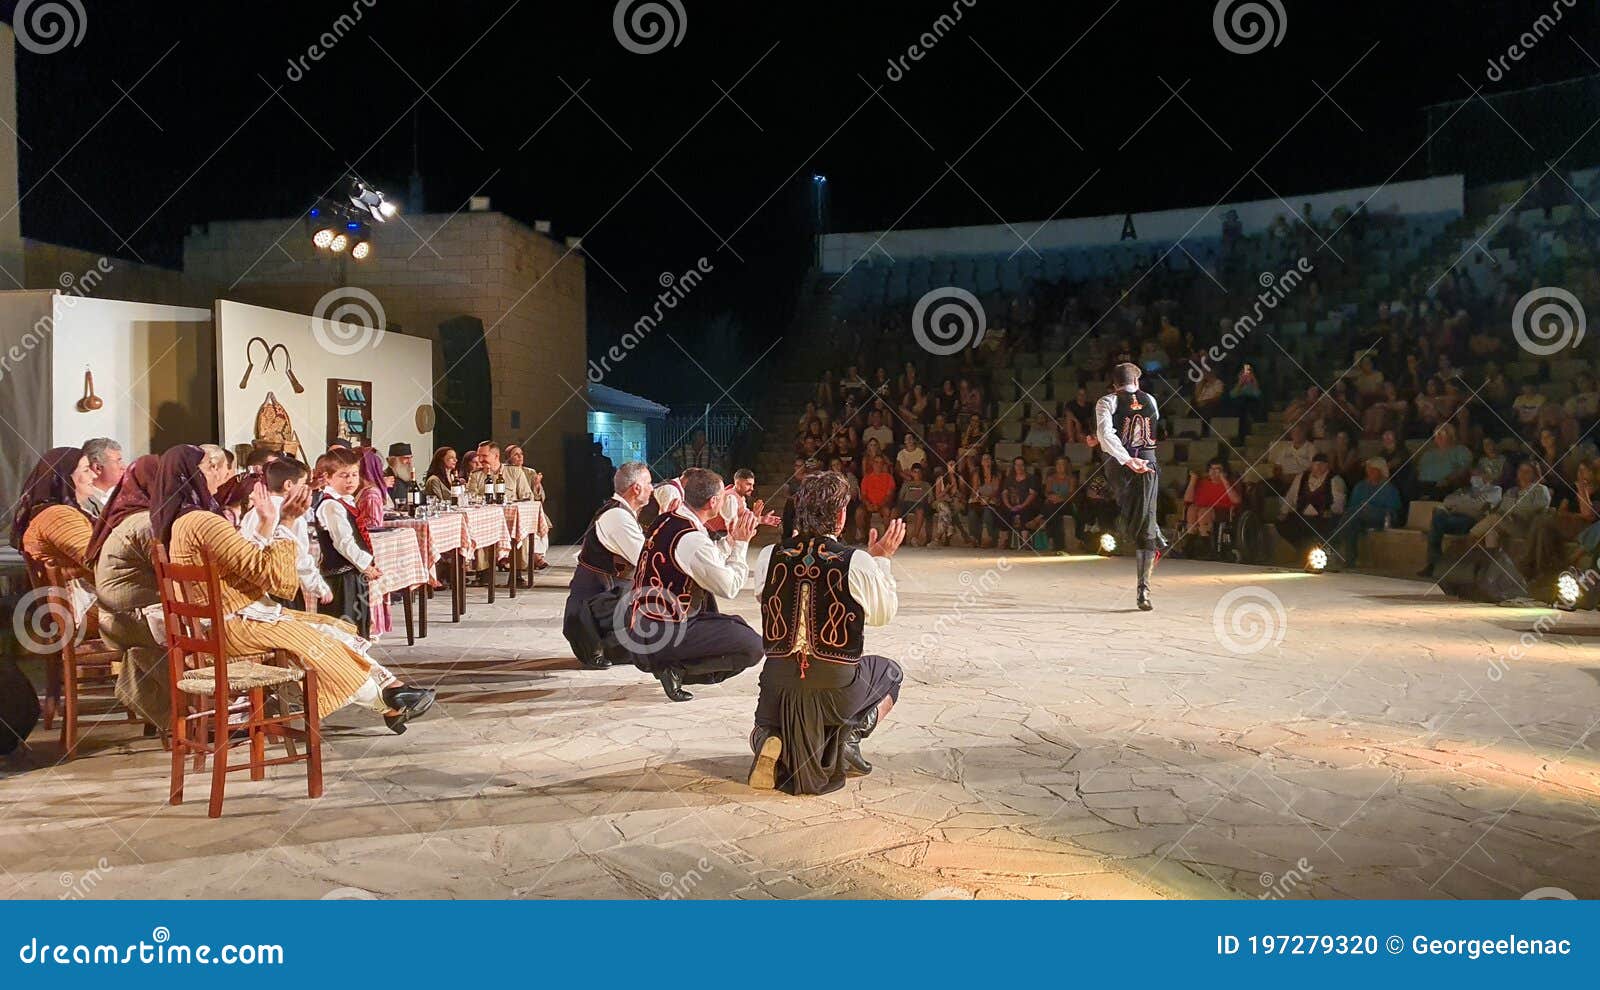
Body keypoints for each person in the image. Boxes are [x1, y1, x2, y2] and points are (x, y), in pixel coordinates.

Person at [155, 445, 434, 734]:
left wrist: (265, 523)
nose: (222, 474)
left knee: (329, 629)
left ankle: (393, 693)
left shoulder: (186, 519)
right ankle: (387, 703)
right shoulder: (203, 521)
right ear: (194, 474)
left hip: (229, 619)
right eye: (214, 468)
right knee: (316, 641)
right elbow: (267, 573)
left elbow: (249, 562)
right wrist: (285, 522)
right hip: (234, 625)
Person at [748, 472, 904, 794]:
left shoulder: (769, 556)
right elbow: (883, 615)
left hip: (779, 684)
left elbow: (764, 598)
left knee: (765, 720)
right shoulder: (856, 561)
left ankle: (768, 737)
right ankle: (849, 738)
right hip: (835, 688)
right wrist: (882, 563)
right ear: (841, 515)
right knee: (891, 672)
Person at [624, 467, 763, 702]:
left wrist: (730, 540)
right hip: (663, 632)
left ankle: (673, 664)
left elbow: (706, 559)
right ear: (713, 502)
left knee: (733, 624)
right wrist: (740, 545)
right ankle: (677, 669)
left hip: (641, 625)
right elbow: (729, 587)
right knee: (751, 646)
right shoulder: (692, 538)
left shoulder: (668, 519)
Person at [88, 454, 169, 728]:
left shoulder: (127, 515)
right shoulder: (144, 523)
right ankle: (200, 716)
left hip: (116, 618)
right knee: (211, 630)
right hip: (129, 622)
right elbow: (173, 575)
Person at [563, 461, 652, 668]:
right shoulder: (618, 517)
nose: (651, 488)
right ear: (636, 488)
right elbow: (645, 560)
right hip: (595, 620)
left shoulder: (620, 511)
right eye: (648, 483)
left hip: (607, 604)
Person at [1094, 364, 1166, 610]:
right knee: (1144, 521)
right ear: (1138, 380)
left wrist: (1127, 459)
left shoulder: (1107, 401)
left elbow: (1106, 435)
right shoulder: (1151, 400)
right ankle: (1143, 590)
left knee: (1135, 517)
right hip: (1148, 463)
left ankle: (1153, 532)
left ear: (1114, 384)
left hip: (1122, 465)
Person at [312, 447, 382, 637]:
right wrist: (366, 565)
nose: (350, 480)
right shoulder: (331, 505)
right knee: (344, 626)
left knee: (359, 625)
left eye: (353, 474)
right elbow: (343, 542)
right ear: (328, 478)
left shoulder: (344, 501)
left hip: (352, 574)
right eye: (343, 475)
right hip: (340, 578)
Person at [13, 447, 98, 582]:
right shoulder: (58, 516)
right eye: (86, 470)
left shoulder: (58, 513)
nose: (94, 476)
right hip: (87, 600)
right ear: (64, 478)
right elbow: (100, 561)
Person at [1422, 467, 1503, 576]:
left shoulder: (1495, 490)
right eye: (1473, 475)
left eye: (1479, 475)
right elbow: (1447, 501)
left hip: (1473, 522)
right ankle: (1434, 562)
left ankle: (1433, 564)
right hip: (1453, 519)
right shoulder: (1465, 489)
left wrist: (1459, 504)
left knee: (1435, 526)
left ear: (1487, 476)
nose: (1475, 478)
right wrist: (1467, 503)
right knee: (1438, 513)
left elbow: (1480, 508)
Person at [1333, 458, 1402, 569]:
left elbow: (1393, 510)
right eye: (1368, 469)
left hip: (1382, 519)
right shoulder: (1360, 487)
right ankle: (1350, 560)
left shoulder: (1389, 489)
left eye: (1373, 470)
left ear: (1381, 471)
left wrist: (1370, 509)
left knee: (1360, 511)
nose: (1369, 472)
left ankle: (1332, 542)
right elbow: (1352, 506)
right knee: (1352, 524)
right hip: (1361, 519)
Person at [1276, 454, 1347, 559]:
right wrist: (1284, 511)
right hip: (1302, 516)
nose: (1318, 467)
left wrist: (1332, 511)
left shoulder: (1335, 479)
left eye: (1322, 464)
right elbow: (1290, 496)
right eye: (1316, 464)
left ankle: (1324, 553)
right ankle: (1303, 549)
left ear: (1327, 466)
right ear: (1312, 465)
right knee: (1282, 524)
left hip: (1323, 517)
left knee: (1326, 525)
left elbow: (1339, 501)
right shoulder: (1301, 478)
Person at [81, 438, 125, 518]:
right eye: (118, 461)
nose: (123, 467)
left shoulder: (123, 496)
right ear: (98, 468)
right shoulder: (81, 502)